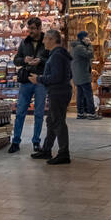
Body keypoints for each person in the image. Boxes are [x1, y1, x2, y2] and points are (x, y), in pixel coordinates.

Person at [30, 29, 73, 164]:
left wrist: (39, 79)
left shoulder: (57, 56)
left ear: (52, 40)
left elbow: (56, 77)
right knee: (51, 121)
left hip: (58, 92)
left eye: (46, 39)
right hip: (59, 91)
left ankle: (64, 153)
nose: (43, 41)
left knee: (58, 122)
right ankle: (47, 149)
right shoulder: (58, 54)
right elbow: (68, 75)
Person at [9, 16, 48, 153]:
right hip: (26, 81)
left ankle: (36, 141)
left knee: (38, 112)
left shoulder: (47, 41)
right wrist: (24, 60)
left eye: (32, 29)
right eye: (28, 28)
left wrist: (41, 61)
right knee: (20, 112)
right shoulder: (24, 43)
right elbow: (16, 60)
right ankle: (15, 141)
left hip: (40, 80)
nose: (29, 31)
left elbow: (51, 58)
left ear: (39, 28)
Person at [71, 31, 98, 118]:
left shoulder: (77, 46)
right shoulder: (79, 47)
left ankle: (81, 113)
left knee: (80, 95)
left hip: (79, 74)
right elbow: (89, 54)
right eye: (87, 37)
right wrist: (90, 45)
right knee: (88, 94)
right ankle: (92, 113)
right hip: (82, 75)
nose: (89, 38)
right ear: (83, 38)